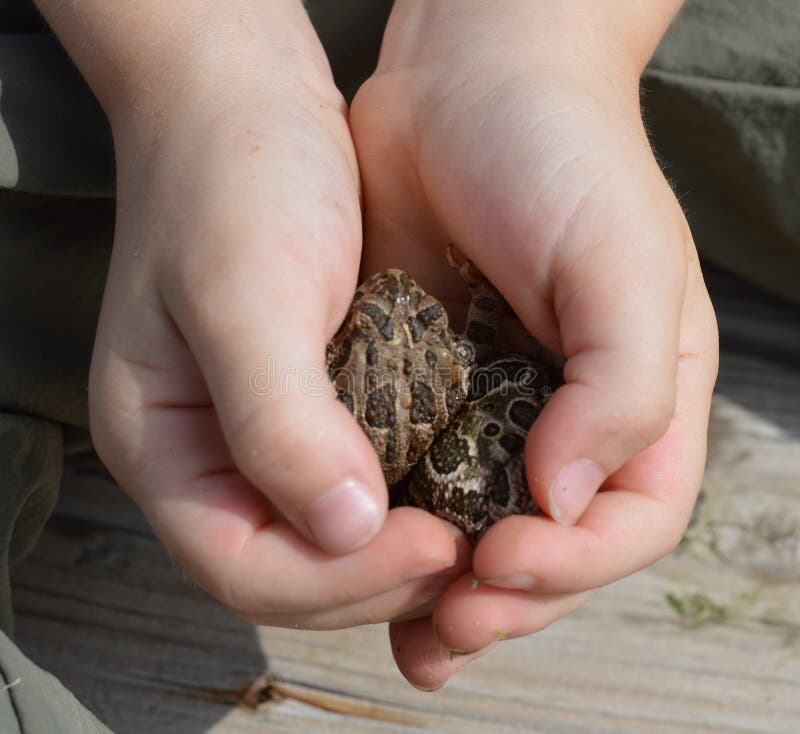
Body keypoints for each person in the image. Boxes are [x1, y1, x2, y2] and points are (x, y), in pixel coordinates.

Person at [1, 0, 796, 729]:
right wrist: (204, 79)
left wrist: (538, 43)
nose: (403, 296)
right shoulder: (462, 367)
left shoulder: (450, 364)